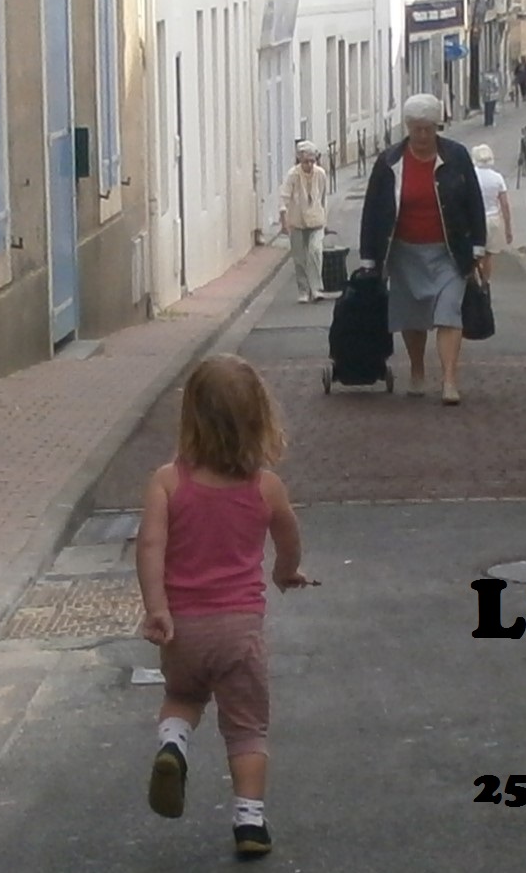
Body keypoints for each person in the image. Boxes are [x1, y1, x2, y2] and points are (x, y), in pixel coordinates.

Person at [135, 353, 315, 861]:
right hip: (240, 632)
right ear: (259, 419)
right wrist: (285, 573)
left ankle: (174, 742)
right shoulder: (266, 488)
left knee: (183, 695)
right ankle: (249, 820)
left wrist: (157, 607)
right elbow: (289, 541)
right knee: (247, 728)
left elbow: (149, 545)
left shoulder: (168, 482)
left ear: (190, 416)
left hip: (183, 628)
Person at [359, 94, 486, 405]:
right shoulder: (390, 162)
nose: (423, 136)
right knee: (412, 317)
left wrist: (479, 247)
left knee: (449, 312)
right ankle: (417, 372)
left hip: (449, 251)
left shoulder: (456, 157)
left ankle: (449, 381)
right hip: (404, 252)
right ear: (407, 128)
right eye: (417, 129)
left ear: (436, 127)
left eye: (428, 129)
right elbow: (373, 208)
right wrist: (369, 257)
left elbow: (474, 201)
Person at [279, 141, 328, 304]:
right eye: (305, 161)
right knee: (299, 257)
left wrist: (324, 217)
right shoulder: (293, 175)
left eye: (312, 161)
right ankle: (303, 289)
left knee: (315, 251)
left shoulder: (320, 174)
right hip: (297, 221)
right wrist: (283, 218)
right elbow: (284, 197)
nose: (309, 164)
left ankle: (316, 288)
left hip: (316, 220)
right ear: (299, 160)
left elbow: (323, 197)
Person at [470, 143, 512, 281]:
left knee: (475, 255)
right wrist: (508, 229)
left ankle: (475, 281)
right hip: (492, 219)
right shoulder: (497, 178)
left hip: (475, 220)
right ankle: (485, 283)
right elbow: (504, 205)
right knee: (488, 255)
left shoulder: (471, 176)